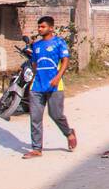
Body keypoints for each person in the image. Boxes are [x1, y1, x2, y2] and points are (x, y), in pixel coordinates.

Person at [23, 16, 77, 159]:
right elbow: (34, 63)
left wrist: (57, 77)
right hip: (37, 87)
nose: (40, 29)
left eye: (43, 27)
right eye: (39, 27)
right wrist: (34, 78)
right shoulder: (36, 45)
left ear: (51, 28)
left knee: (56, 115)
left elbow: (65, 61)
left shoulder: (59, 43)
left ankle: (69, 133)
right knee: (35, 117)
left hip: (54, 86)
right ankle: (36, 149)